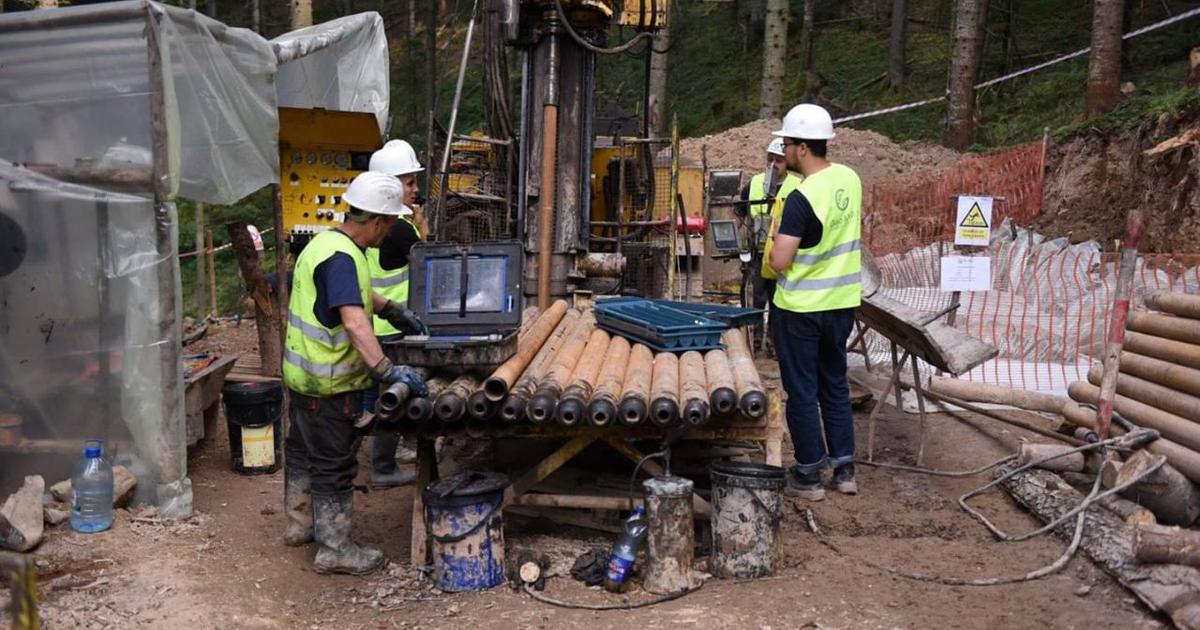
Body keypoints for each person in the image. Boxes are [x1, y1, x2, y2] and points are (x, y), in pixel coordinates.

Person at [281, 171, 429, 575]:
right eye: (390, 224)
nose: (389, 233)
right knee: (334, 464)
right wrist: (386, 369)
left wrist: (389, 308)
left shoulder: (327, 244)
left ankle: (299, 526)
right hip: (331, 382)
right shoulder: (345, 257)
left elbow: (354, 295)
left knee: (301, 453)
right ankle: (334, 548)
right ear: (378, 221)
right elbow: (351, 318)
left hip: (302, 377)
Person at [767, 104, 863, 502]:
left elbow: (779, 261)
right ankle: (844, 469)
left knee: (802, 391)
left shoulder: (801, 198)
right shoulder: (849, 179)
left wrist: (773, 240)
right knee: (834, 385)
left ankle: (807, 475)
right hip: (842, 304)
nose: (783, 151)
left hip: (801, 309)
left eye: (786, 144)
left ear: (802, 148)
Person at [362, 140, 428, 487]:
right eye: (409, 182)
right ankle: (386, 464)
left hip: (374, 325)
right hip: (394, 325)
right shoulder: (400, 228)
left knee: (376, 394)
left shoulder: (371, 224)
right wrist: (421, 224)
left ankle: (386, 452)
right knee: (398, 392)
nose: (415, 189)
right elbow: (428, 262)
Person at [734, 138, 802, 349]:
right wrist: (733, 235)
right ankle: (754, 342)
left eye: (779, 160)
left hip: (783, 253)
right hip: (757, 252)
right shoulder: (755, 184)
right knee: (757, 298)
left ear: (787, 162)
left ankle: (774, 342)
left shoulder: (797, 186)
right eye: (770, 159)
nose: (774, 164)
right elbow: (739, 211)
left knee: (778, 300)